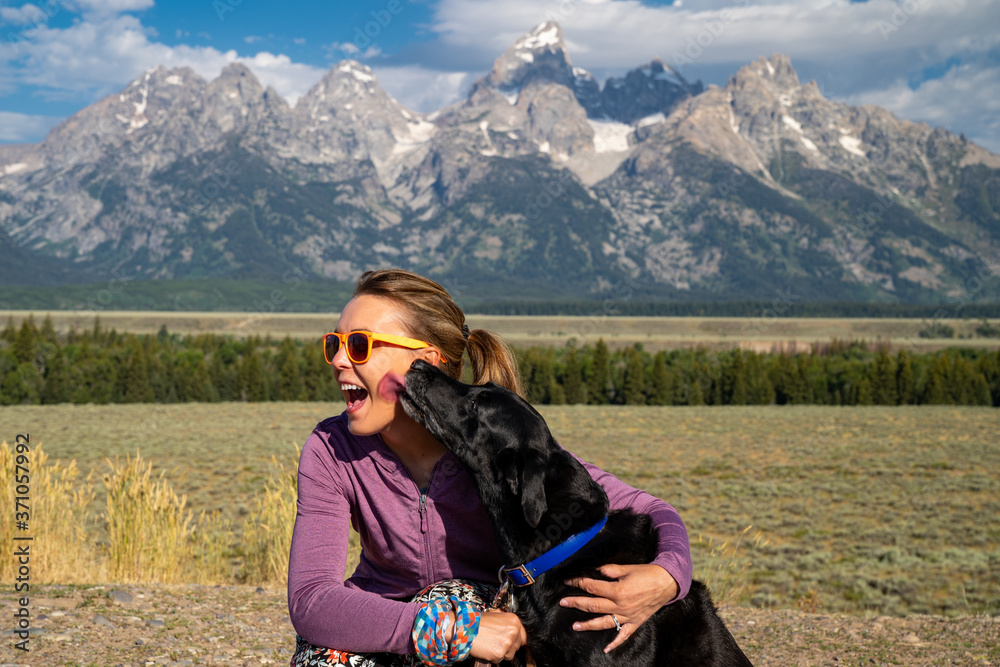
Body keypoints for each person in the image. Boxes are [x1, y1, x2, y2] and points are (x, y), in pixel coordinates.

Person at [287, 269, 692, 666]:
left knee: (451, 595)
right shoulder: (330, 450)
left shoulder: (491, 446)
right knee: (323, 655)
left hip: (488, 633)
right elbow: (312, 598)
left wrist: (668, 576)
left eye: (359, 345)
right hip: (405, 626)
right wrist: (445, 629)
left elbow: (652, 510)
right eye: (334, 343)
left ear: (424, 361)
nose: (339, 360)